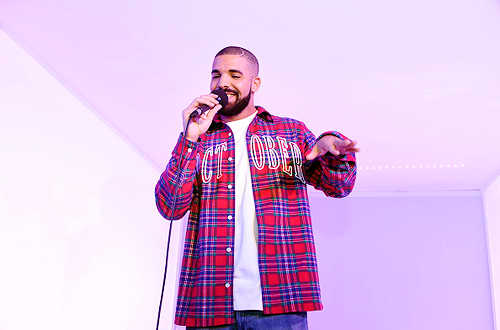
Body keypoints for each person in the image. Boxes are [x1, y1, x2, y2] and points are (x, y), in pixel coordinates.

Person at [155, 46, 358, 330]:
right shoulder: (199, 141)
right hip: (209, 305)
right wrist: (189, 138)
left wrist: (332, 151)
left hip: (280, 303)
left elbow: (339, 186)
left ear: (255, 83)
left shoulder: (290, 133)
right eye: (216, 75)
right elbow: (170, 206)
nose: (222, 83)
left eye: (234, 75)